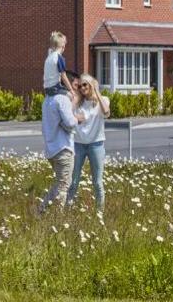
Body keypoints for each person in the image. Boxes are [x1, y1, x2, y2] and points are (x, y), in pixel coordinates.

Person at [40, 73, 84, 213]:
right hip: (63, 148)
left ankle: (42, 210)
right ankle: (56, 216)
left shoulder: (48, 99)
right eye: (76, 85)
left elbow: (58, 123)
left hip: (52, 149)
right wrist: (78, 119)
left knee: (60, 182)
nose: (78, 89)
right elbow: (69, 123)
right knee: (64, 184)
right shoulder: (63, 99)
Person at [66, 74, 111, 212]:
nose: (82, 88)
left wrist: (97, 91)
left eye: (85, 84)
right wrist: (75, 99)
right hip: (78, 144)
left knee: (97, 182)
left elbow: (106, 112)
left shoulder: (103, 100)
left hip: (96, 144)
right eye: (80, 86)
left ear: (91, 85)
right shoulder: (77, 102)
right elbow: (67, 116)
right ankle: (67, 208)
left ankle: (99, 212)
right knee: (73, 180)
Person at [44, 32, 76, 98]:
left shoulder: (49, 56)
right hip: (55, 88)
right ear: (63, 46)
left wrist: (53, 38)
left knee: (64, 89)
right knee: (72, 97)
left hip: (47, 89)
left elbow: (51, 47)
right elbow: (64, 76)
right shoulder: (59, 58)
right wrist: (71, 90)